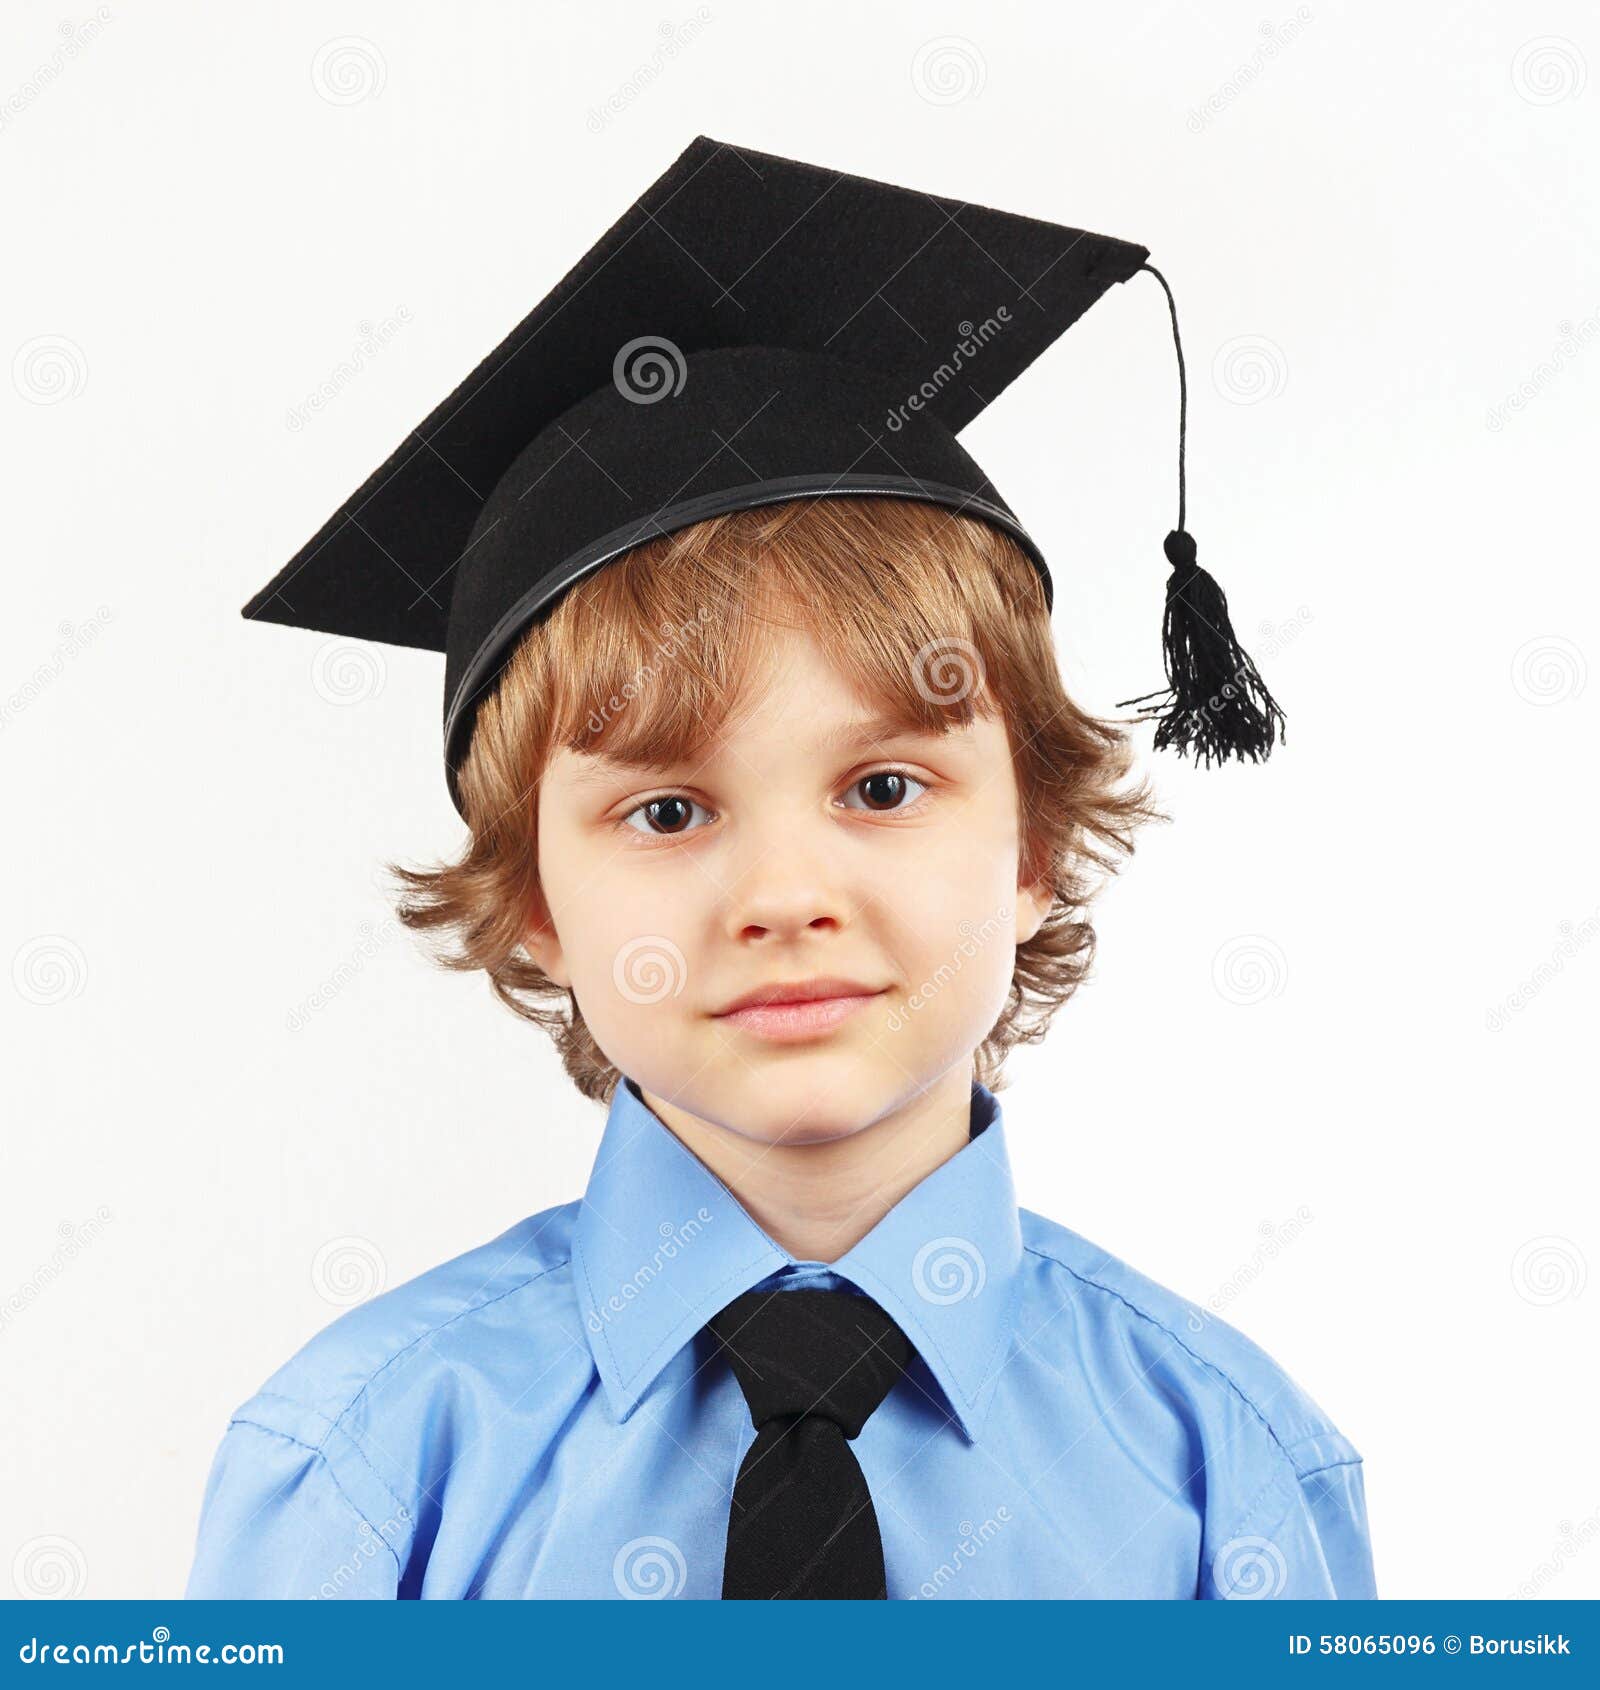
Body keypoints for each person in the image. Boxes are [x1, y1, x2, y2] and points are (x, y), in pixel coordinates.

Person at [185, 138, 1370, 1600]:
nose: (783, 895)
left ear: (1038, 849)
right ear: (538, 903)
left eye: (882, 785)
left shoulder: (1223, 1467)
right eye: (670, 812)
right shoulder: (371, 1462)